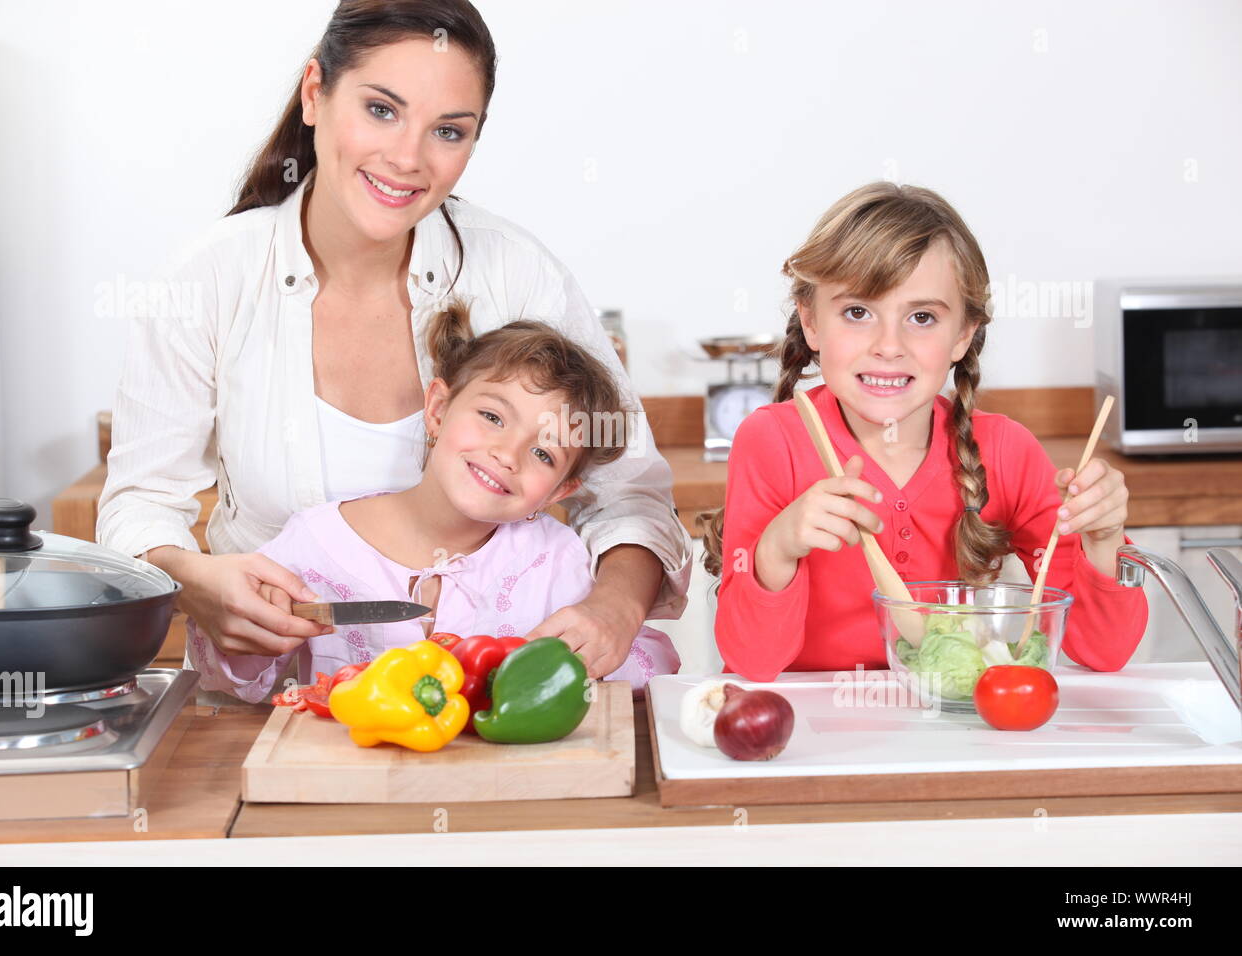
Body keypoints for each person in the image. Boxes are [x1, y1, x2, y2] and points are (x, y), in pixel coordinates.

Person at [96, 0, 691, 680]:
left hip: (487, 720)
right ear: (315, 93)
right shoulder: (207, 279)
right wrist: (191, 581)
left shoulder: (517, 272)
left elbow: (629, 495)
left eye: (448, 130)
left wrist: (614, 608)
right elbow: (140, 507)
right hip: (283, 716)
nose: (407, 158)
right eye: (381, 109)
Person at [700, 182, 1148, 682]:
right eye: (857, 312)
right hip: (811, 736)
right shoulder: (770, 441)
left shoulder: (1004, 450)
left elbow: (1104, 651)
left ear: (963, 334)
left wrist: (1104, 541)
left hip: (954, 723)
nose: (888, 345)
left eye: (921, 317)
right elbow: (752, 661)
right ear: (810, 321)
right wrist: (778, 548)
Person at [189, 304, 680, 700]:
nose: (506, 454)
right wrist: (258, 633)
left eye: (542, 452)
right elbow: (236, 678)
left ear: (556, 493)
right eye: (492, 416)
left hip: (500, 791)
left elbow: (651, 660)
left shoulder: (558, 562)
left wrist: (585, 661)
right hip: (348, 790)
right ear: (438, 410)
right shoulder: (313, 541)